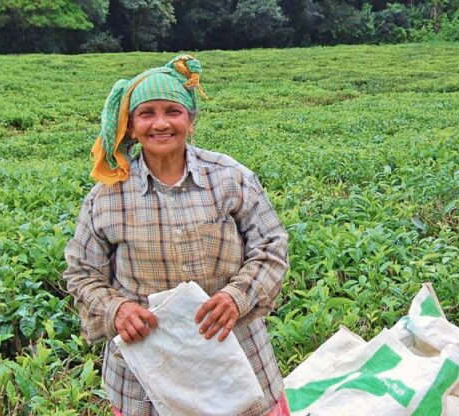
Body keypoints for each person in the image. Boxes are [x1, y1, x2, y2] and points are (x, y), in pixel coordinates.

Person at [62, 55, 290, 416]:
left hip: (234, 348)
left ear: (190, 121)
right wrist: (116, 309)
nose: (161, 123)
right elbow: (81, 273)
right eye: (147, 114)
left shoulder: (229, 177)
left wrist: (236, 298)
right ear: (131, 127)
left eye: (173, 111)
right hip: (149, 368)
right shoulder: (107, 196)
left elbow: (271, 246)